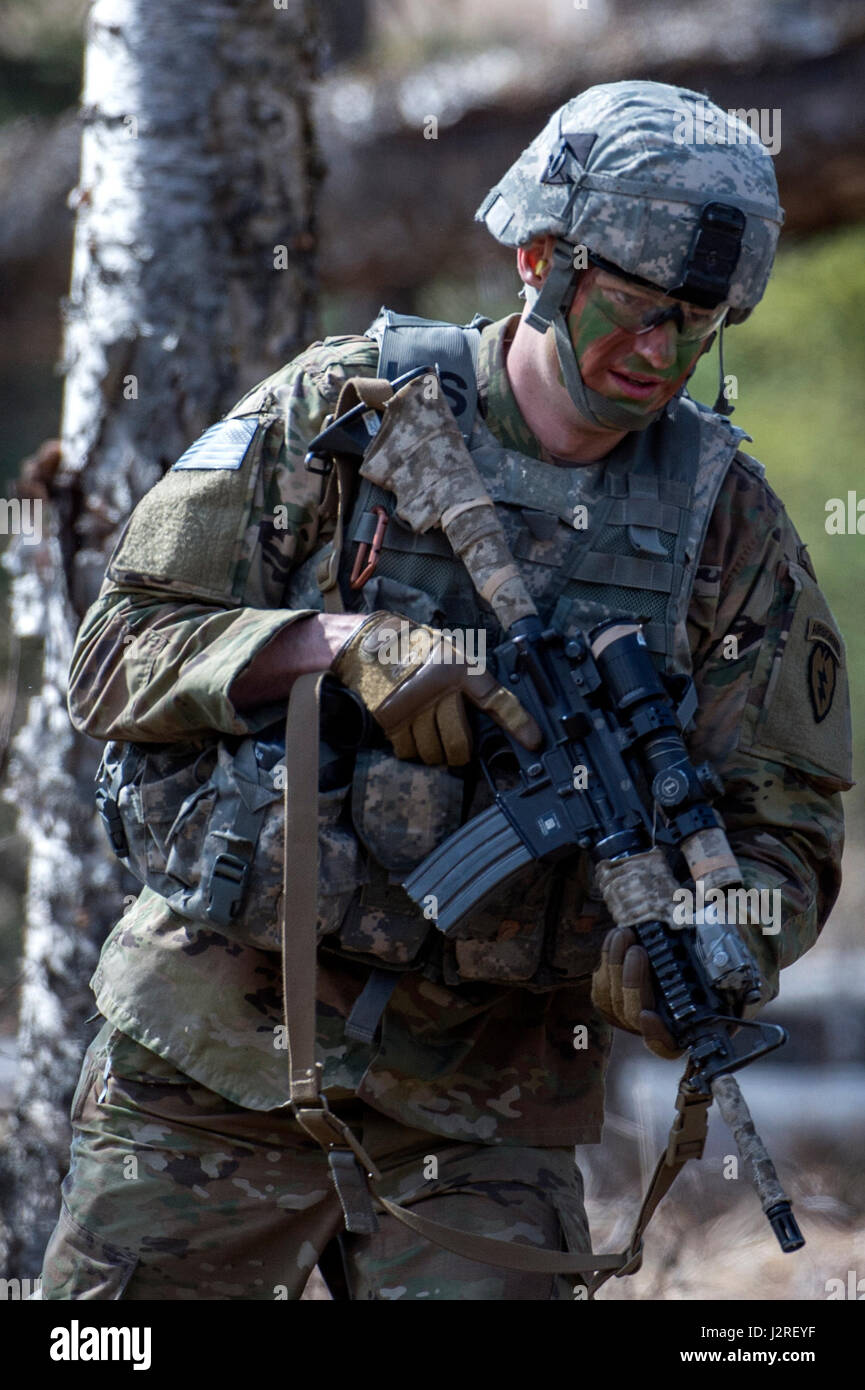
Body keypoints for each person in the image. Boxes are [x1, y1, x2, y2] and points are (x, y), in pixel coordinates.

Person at [40, 80, 851, 1301]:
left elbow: (785, 820)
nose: (662, 354)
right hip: (213, 1061)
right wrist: (328, 644)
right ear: (539, 260)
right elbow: (111, 653)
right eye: (634, 311)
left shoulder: (722, 525)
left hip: (484, 1109)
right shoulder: (344, 414)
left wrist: (714, 945)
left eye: (699, 324)